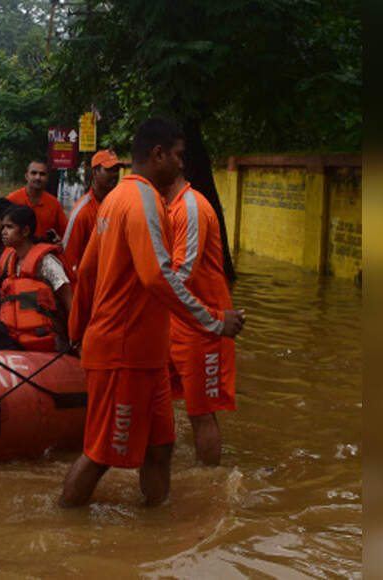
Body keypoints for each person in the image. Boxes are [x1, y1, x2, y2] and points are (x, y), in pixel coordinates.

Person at [58, 119, 246, 508]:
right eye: (178, 155)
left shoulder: (114, 200)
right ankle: (64, 526)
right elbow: (159, 276)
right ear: (158, 155)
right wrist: (215, 320)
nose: (182, 164)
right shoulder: (141, 200)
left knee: (161, 447)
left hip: (147, 356)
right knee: (101, 455)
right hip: (123, 353)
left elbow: (88, 271)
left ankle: (157, 527)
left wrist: (78, 330)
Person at [160, 142, 238, 466]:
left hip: (202, 326)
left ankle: (210, 484)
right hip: (173, 322)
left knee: (202, 413)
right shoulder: (168, 208)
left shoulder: (191, 207)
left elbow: (182, 272)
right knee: (160, 403)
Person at [0, 205, 73, 351]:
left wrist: (75, 338)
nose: (3, 232)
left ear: (25, 231)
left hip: (47, 338)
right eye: (3, 227)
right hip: (15, 336)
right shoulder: (12, 261)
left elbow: (69, 300)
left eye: (9, 227)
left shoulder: (46, 262)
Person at [62, 150, 128, 272]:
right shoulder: (82, 212)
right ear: (95, 172)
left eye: (116, 170)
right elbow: (68, 257)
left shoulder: (122, 204)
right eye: (109, 170)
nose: (114, 174)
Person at [6, 160, 68, 243]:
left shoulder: (54, 204)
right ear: (26, 176)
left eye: (42, 174)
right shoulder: (12, 200)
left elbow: (66, 234)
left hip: (44, 250)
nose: (38, 177)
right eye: (34, 173)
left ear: (47, 178)